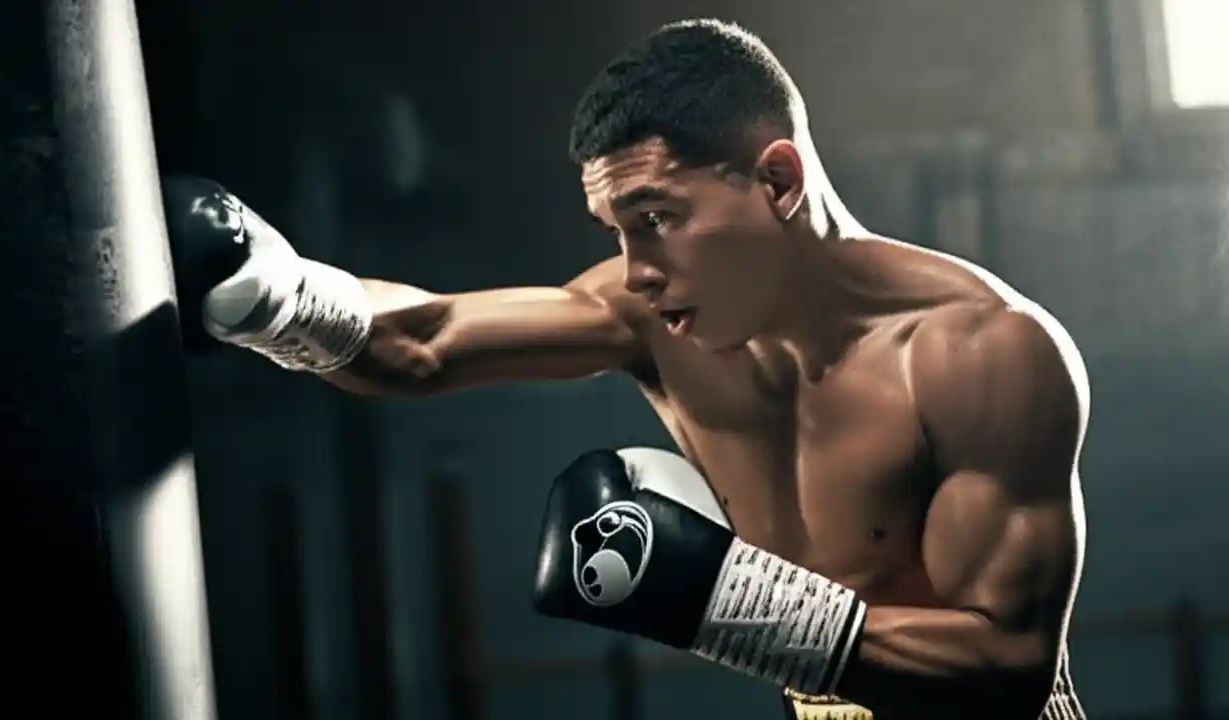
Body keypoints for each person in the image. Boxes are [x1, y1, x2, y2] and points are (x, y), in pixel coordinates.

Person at [165, 18, 1089, 719]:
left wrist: (723, 600)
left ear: (776, 182)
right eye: (617, 232)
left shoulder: (984, 352)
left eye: (657, 218)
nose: (638, 269)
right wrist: (276, 293)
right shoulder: (652, 316)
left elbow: (1008, 664)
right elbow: (424, 343)